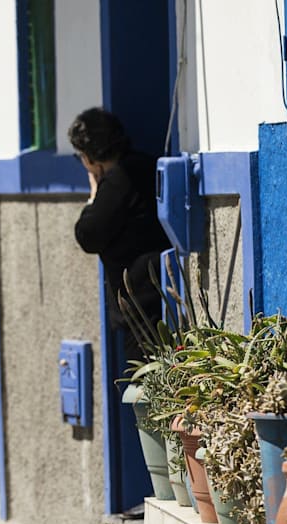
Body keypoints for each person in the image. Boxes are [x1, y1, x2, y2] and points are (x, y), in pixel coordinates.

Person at [69, 107, 171, 362]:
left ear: (90, 157)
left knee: (141, 385)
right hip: (160, 290)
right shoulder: (146, 165)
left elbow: (88, 235)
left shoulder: (117, 181)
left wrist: (93, 197)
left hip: (140, 301)